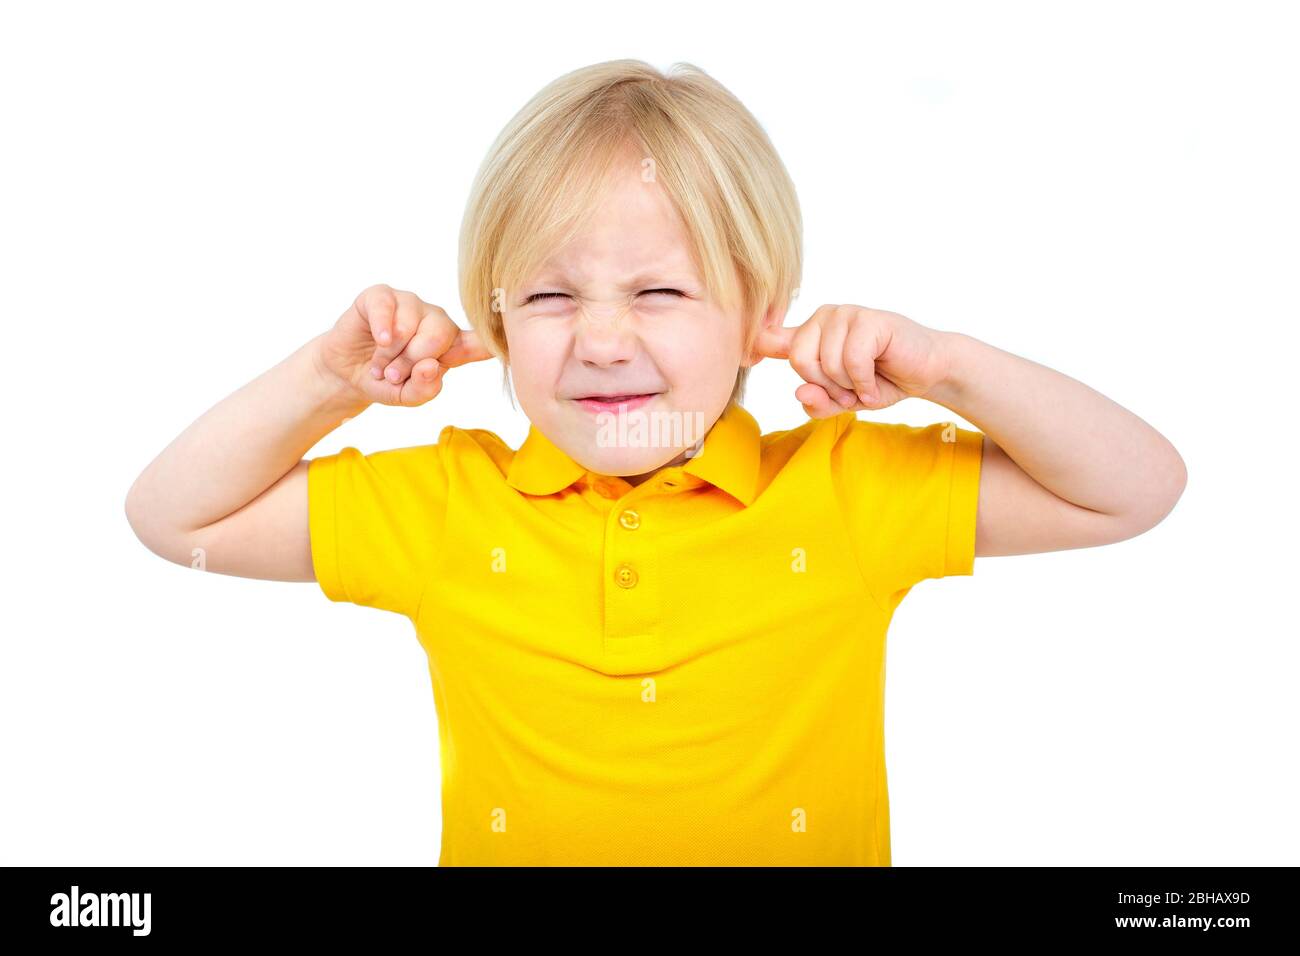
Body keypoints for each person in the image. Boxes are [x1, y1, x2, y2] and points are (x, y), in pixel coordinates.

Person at [124, 59, 1187, 866]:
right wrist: (326, 377)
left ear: (757, 314)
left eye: (660, 292)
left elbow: (1132, 487)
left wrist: (944, 366)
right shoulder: (450, 503)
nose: (599, 339)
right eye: (547, 295)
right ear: (492, 319)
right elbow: (178, 520)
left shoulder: (840, 488)